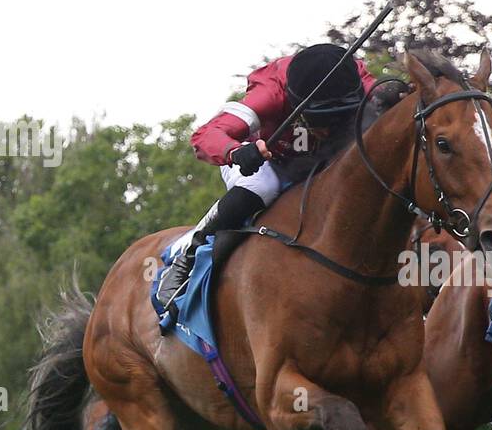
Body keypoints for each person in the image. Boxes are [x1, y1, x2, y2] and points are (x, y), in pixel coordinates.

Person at [156, 44, 376, 318]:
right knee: (262, 186)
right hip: (265, 161)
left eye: (339, 117)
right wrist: (235, 151)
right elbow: (205, 136)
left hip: (317, 162)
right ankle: (186, 259)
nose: (329, 129)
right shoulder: (269, 95)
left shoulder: (358, 81)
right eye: (321, 120)